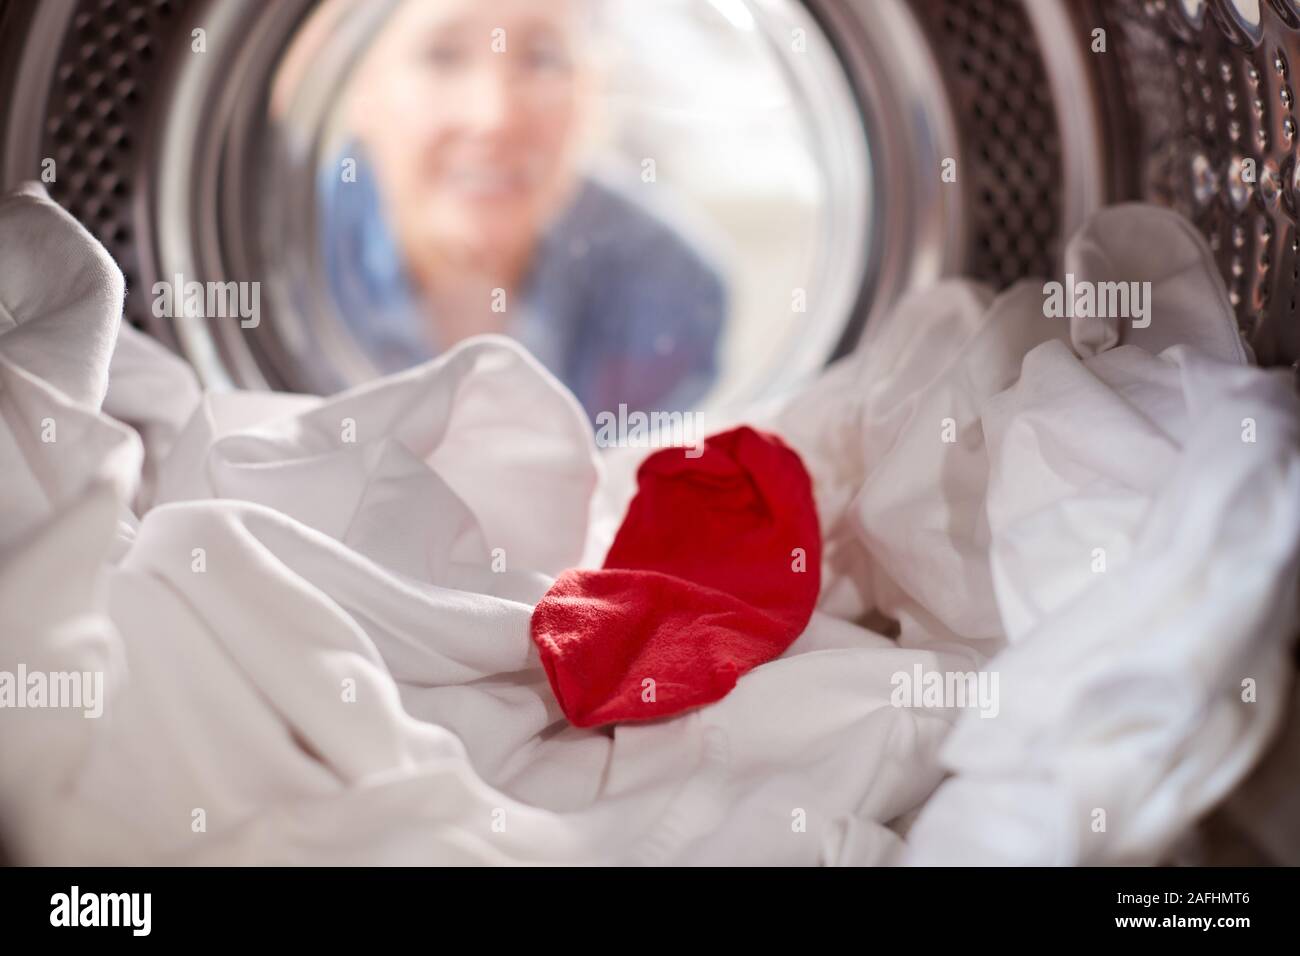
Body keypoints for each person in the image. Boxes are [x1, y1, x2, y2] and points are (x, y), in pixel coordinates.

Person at [318, 0, 727, 417]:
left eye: (541, 59)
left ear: (593, 88)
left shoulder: (671, 286)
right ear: (361, 83)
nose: (494, 116)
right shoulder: (269, 259)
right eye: (443, 56)